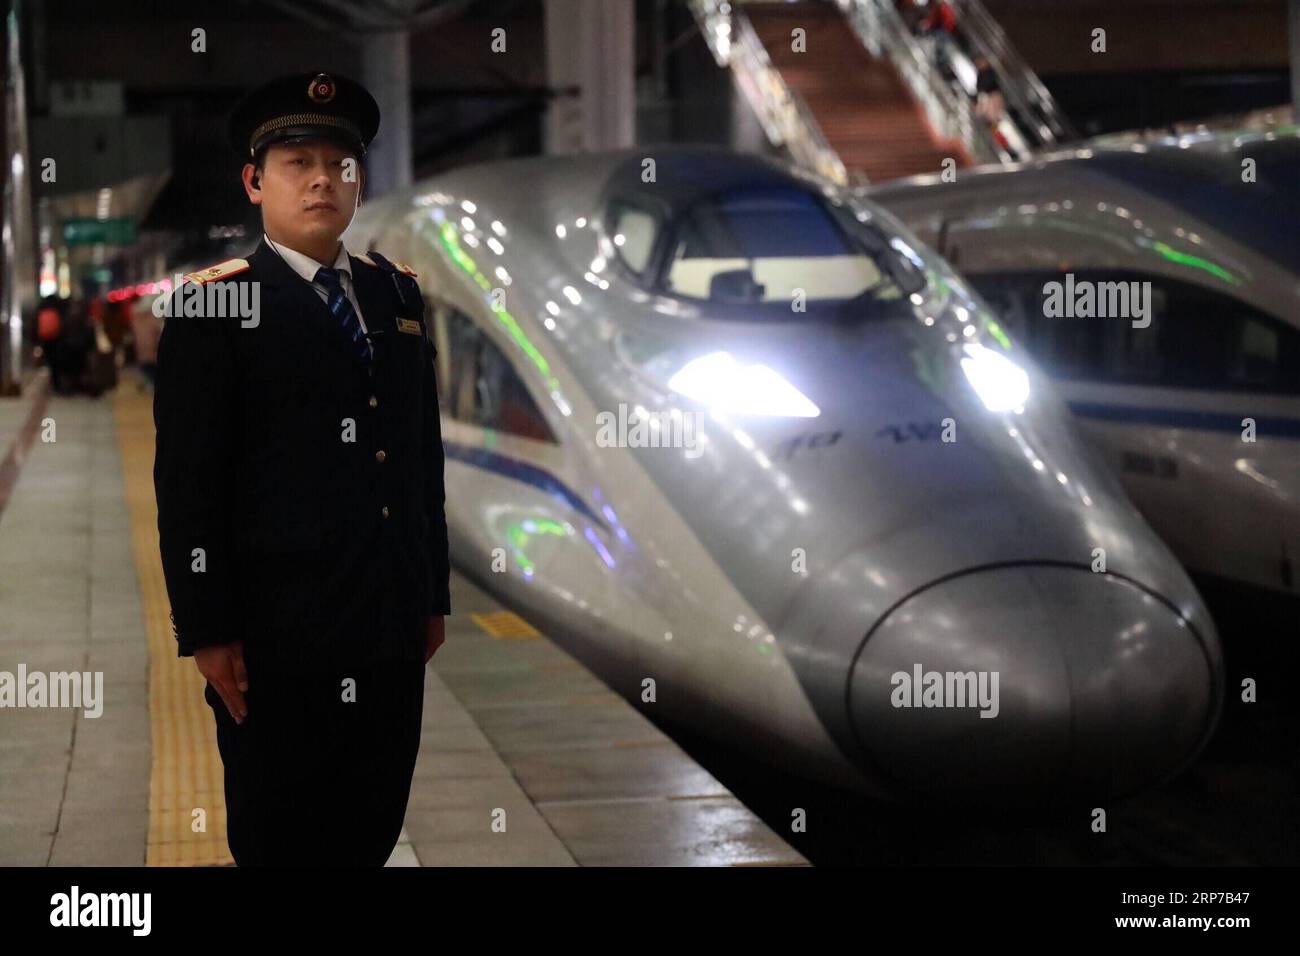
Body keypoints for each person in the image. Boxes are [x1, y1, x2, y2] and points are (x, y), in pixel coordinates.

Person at [152, 71, 452, 866]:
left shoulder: (395, 296)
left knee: (373, 826)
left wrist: (432, 597)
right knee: (282, 837)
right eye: (297, 162)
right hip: (276, 642)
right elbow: (188, 487)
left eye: (340, 162)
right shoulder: (213, 305)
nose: (323, 178)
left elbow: (421, 460)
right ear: (255, 182)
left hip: (388, 630)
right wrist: (206, 631)